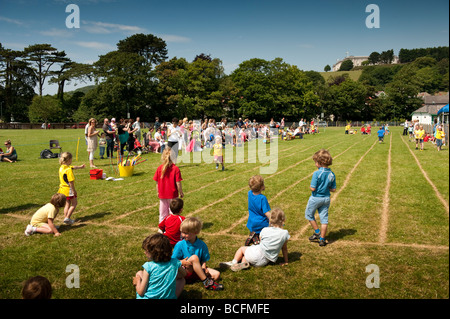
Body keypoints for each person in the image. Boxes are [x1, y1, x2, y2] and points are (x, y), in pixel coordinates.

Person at [221, 208, 290, 271]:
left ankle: (233, 262)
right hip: (264, 262)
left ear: (270, 219)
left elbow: (260, 240)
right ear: (284, 220)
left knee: (242, 249)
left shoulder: (265, 230)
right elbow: (284, 248)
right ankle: (243, 263)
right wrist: (286, 261)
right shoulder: (285, 234)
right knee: (247, 256)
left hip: (257, 254)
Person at [172, 217, 224, 291]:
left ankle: (199, 278)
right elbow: (173, 261)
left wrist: (204, 267)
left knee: (217, 274)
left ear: (195, 232)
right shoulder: (180, 244)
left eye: (186, 233)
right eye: (182, 232)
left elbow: (203, 260)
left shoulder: (202, 245)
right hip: (185, 271)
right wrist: (182, 262)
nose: (183, 235)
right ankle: (206, 282)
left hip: (197, 270)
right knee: (194, 258)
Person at [133, 233, 186, 299]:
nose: (145, 252)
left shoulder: (149, 266)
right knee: (182, 280)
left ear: (154, 253)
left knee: (139, 273)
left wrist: (138, 281)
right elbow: (184, 274)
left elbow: (141, 292)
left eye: (147, 251)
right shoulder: (174, 262)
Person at [305, 149, 336, 247]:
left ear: (320, 162)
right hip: (326, 199)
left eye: (315, 162)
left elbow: (313, 188)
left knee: (309, 215)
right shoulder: (331, 174)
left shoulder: (317, 173)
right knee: (324, 219)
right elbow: (333, 189)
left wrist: (310, 187)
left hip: (315, 198)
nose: (315, 164)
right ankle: (322, 239)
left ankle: (317, 232)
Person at [153, 148, 184, 223]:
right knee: (173, 213)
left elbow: (157, 182)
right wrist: (181, 192)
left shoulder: (159, 168)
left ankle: (162, 229)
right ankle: (173, 227)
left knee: (163, 213)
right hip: (172, 195)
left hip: (163, 194)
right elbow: (178, 182)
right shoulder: (175, 169)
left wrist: (158, 192)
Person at [57, 152, 85, 225]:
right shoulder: (68, 170)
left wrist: (80, 167)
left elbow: (73, 167)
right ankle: (67, 218)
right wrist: (73, 190)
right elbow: (71, 182)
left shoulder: (61, 167)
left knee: (67, 204)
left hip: (62, 189)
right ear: (69, 160)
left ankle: (65, 217)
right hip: (68, 189)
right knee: (74, 203)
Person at [245, 175, 271, 247]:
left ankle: (253, 235)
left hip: (251, 221)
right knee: (267, 234)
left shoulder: (249, 193)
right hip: (261, 223)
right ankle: (257, 239)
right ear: (261, 187)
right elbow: (266, 213)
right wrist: (274, 219)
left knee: (256, 230)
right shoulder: (262, 198)